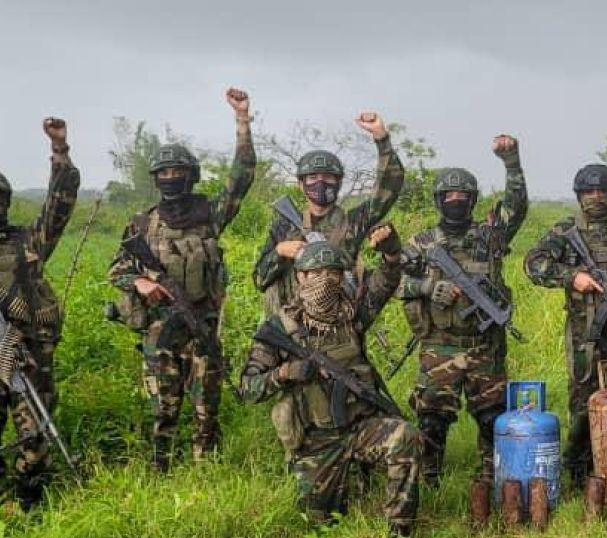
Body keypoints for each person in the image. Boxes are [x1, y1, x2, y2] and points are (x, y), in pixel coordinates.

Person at [108, 88, 256, 471]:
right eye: (165, 173)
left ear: (191, 176)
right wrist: (140, 283)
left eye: (179, 172)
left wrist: (242, 121)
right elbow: (117, 269)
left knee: (207, 407)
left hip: (202, 322)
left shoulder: (210, 212)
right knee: (164, 406)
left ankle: (205, 471)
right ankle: (161, 471)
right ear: (157, 179)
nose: (172, 178)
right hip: (160, 330)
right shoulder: (142, 223)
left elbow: (242, 176)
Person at [239, 235, 423, 538]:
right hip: (317, 441)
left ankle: (399, 533)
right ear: (300, 276)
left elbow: (384, 284)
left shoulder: (352, 317)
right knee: (320, 524)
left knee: (406, 436)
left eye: (334, 273)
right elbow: (247, 389)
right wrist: (285, 373)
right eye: (315, 273)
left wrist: (391, 254)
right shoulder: (280, 329)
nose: (325, 280)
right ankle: (344, 484)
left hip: (361, 428)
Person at [524, 108, 607, 489]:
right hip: (586, 332)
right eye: (589, 191)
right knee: (583, 401)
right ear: (579, 196)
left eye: (603, 191)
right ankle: (578, 473)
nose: (596, 197)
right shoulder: (566, 230)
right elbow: (532, 263)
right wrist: (572, 277)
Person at [398, 134, 527, 487]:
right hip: (439, 347)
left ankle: (492, 480)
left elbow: (516, 207)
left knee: (491, 419)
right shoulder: (421, 244)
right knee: (432, 420)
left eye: (463, 196)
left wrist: (511, 161)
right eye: (449, 196)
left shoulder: (490, 237)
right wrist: (427, 287)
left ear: (472, 200)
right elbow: (396, 284)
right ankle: (428, 482)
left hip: (485, 347)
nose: (456, 201)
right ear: (439, 201)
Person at [0, 117, 80, 508]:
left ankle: (29, 503)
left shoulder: (26, 245)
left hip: (26, 360)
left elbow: (59, 206)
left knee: (36, 440)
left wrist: (60, 150)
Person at [254, 112, 404, 314]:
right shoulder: (284, 226)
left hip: (340, 325)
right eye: (312, 177)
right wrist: (280, 252)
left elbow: (388, 187)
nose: (320, 182)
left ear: (339, 183)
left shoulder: (353, 222)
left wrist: (381, 137)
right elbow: (259, 280)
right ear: (300, 184)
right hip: (291, 331)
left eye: (328, 177)